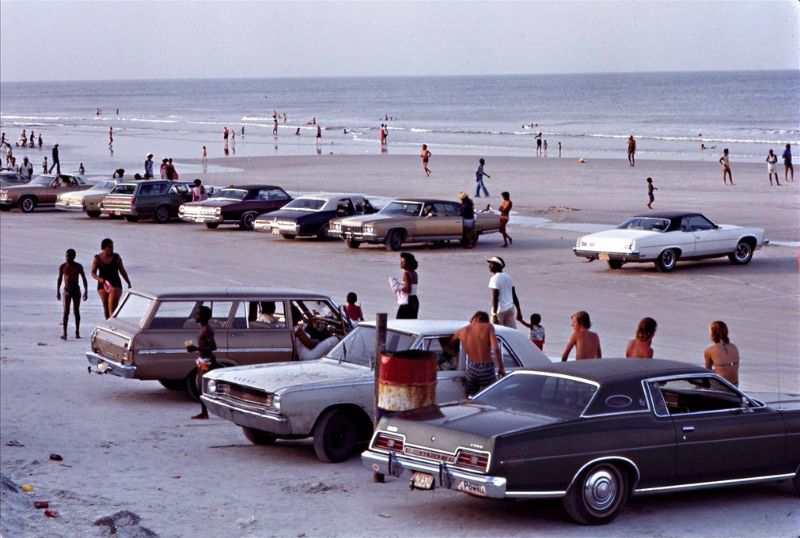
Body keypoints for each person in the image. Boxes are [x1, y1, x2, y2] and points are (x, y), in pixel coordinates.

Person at [445, 311, 505, 397]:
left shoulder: (461, 331)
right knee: (490, 396)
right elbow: (495, 348)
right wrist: (501, 367)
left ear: (475, 318)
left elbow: (447, 347)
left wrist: (455, 355)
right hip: (486, 367)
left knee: (470, 396)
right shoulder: (488, 327)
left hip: (472, 367)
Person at [185, 306, 217, 419]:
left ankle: (205, 412)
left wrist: (196, 349)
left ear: (205, 316)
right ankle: (204, 412)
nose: (196, 316)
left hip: (207, 361)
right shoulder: (202, 328)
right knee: (199, 386)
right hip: (202, 360)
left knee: (202, 386)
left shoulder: (207, 329)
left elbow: (213, 347)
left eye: (198, 314)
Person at [91, 238, 132, 319]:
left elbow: (122, 270)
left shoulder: (116, 257)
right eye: (109, 247)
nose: (112, 249)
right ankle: (108, 325)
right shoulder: (97, 258)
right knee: (105, 306)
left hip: (115, 283)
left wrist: (128, 282)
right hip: (102, 284)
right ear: (104, 248)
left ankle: (113, 325)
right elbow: (93, 273)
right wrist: (99, 279)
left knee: (112, 307)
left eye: (112, 247)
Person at [56, 249, 88, 340]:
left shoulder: (78, 266)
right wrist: (58, 291)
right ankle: (65, 333)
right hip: (66, 291)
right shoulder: (63, 266)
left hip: (76, 291)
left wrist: (86, 291)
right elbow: (59, 279)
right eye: (66, 256)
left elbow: (84, 279)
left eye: (69, 256)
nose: (67, 258)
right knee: (66, 312)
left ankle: (77, 332)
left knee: (76, 312)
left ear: (74, 257)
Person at [487, 256, 522, 328]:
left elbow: (495, 297)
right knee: (511, 332)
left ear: (496, 266)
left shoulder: (494, 278)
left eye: (491, 264)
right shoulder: (508, 276)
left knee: (498, 332)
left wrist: (494, 314)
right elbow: (514, 295)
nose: (489, 266)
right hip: (510, 308)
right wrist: (519, 311)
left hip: (500, 310)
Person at [703, 320, 739, 386]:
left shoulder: (709, 350)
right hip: (734, 386)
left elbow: (707, 372)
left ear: (713, 333)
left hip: (721, 385)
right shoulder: (734, 347)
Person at [390, 252, 419, 319]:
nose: (400, 263)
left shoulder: (406, 274)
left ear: (408, 262)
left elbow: (408, 290)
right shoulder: (415, 273)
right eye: (400, 261)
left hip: (408, 301)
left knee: (399, 321)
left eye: (403, 261)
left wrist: (397, 286)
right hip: (415, 300)